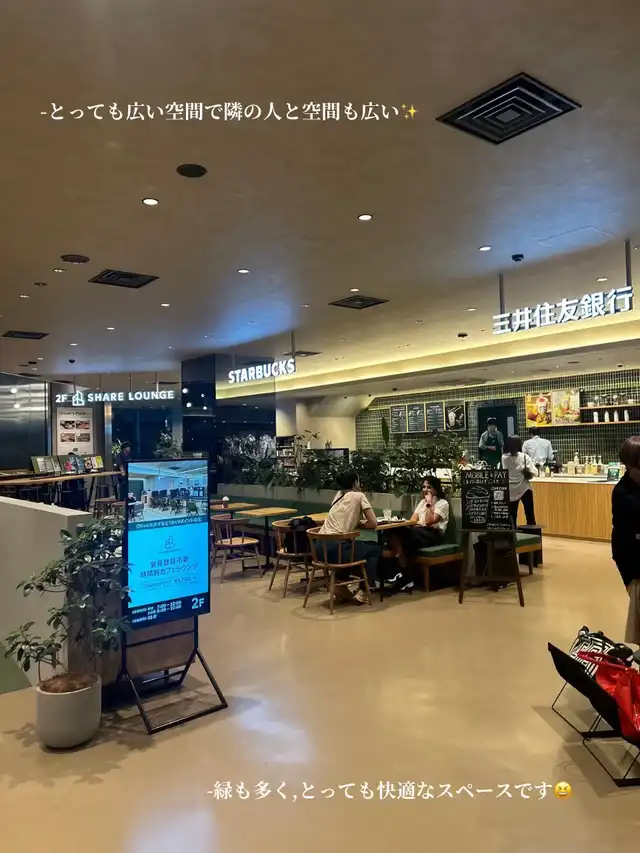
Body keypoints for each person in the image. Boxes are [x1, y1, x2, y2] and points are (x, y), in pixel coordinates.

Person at [317, 469, 380, 604]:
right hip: (336, 549)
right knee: (374, 549)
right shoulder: (359, 496)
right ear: (355, 483)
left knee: (353, 547)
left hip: (319, 549)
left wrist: (355, 522)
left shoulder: (338, 495)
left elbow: (342, 518)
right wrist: (360, 523)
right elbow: (373, 523)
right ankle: (364, 590)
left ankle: (340, 585)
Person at [387, 476, 450, 594]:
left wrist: (429, 503)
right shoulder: (421, 502)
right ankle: (404, 575)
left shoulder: (442, 503)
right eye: (424, 487)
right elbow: (412, 520)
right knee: (395, 531)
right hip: (418, 531)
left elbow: (429, 521)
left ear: (436, 490)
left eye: (429, 487)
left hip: (433, 536)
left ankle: (402, 574)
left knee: (406, 536)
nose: (425, 490)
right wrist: (416, 523)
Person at [611, 437, 640, 645]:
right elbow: (623, 538)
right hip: (634, 560)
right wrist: (631, 577)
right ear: (630, 464)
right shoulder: (622, 493)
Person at [502, 435, 537, 526]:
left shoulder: (503, 458)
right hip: (524, 488)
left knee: (512, 515)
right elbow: (535, 472)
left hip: (510, 490)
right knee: (529, 514)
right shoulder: (524, 457)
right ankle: (531, 532)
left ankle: (513, 533)